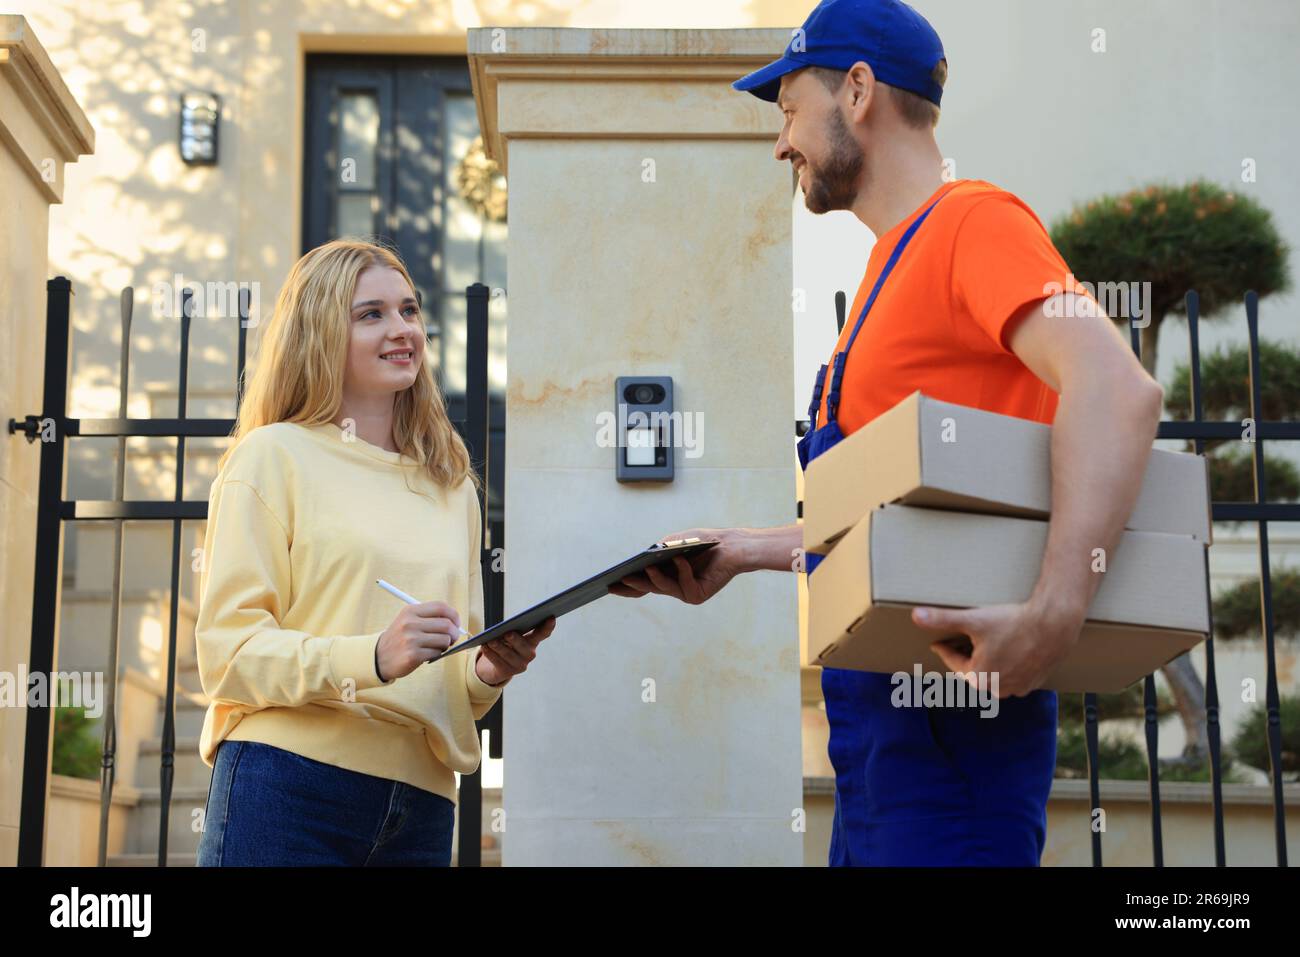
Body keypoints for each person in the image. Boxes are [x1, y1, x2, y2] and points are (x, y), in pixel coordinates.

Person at [612, 0, 1164, 866]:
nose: (781, 144)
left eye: (790, 110)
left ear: (859, 91)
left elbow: (1117, 387)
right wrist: (742, 549)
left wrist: (1056, 611)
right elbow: (893, 522)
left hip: (953, 756)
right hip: (874, 757)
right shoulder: (887, 266)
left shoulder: (974, 222)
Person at [194, 239, 555, 866]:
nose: (402, 329)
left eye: (409, 310)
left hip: (422, 805)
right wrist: (372, 657)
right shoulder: (272, 456)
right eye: (371, 314)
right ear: (320, 333)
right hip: (289, 783)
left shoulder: (450, 484)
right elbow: (230, 654)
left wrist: (488, 670)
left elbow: (452, 673)